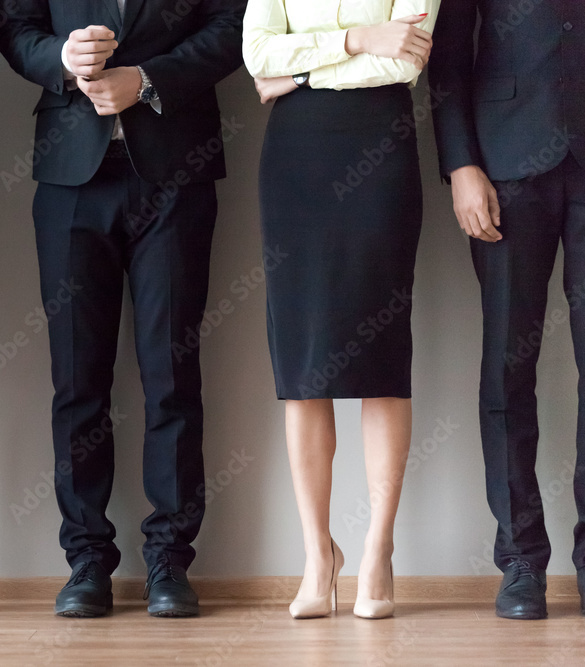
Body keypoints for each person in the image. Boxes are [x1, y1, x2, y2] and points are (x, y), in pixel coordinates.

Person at [0, 0, 245, 617]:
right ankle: (86, 560)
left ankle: (169, 559)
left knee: (171, 375)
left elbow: (235, 24)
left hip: (177, 169)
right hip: (69, 174)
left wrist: (147, 79)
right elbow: (13, 27)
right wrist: (59, 55)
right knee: (76, 380)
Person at [243, 0, 439, 619]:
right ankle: (317, 556)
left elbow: (403, 63)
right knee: (304, 367)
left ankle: (378, 550)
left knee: (382, 361)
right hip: (295, 160)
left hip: (380, 147)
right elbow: (256, 55)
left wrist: (298, 71)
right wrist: (358, 37)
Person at [430, 1, 585, 620]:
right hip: (506, 165)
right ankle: (519, 559)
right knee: (508, 370)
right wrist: (460, 164)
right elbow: (448, 61)